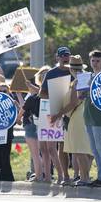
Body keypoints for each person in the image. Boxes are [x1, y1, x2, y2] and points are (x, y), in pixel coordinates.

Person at [53, 55, 92, 186]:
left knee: (79, 149)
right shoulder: (87, 78)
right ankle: (85, 177)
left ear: (72, 69)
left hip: (78, 116)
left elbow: (74, 102)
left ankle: (85, 178)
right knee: (85, 149)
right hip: (85, 114)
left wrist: (59, 114)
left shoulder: (78, 81)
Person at [41, 47, 74, 184]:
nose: (65, 58)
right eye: (62, 56)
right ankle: (64, 175)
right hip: (56, 113)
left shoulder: (75, 72)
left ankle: (78, 175)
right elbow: (42, 93)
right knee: (61, 146)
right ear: (57, 58)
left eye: (67, 55)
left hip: (73, 111)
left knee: (74, 146)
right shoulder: (51, 73)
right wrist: (55, 96)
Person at [81, 51, 101, 187]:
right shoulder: (88, 76)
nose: (95, 63)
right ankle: (100, 176)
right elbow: (80, 96)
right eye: (93, 61)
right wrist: (82, 86)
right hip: (88, 114)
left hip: (100, 115)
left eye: (98, 61)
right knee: (94, 149)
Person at [17, 66, 48, 183]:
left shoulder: (35, 96)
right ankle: (45, 174)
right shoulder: (47, 94)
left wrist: (18, 118)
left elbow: (24, 108)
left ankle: (39, 175)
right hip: (41, 124)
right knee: (44, 152)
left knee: (35, 153)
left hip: (31, 124)